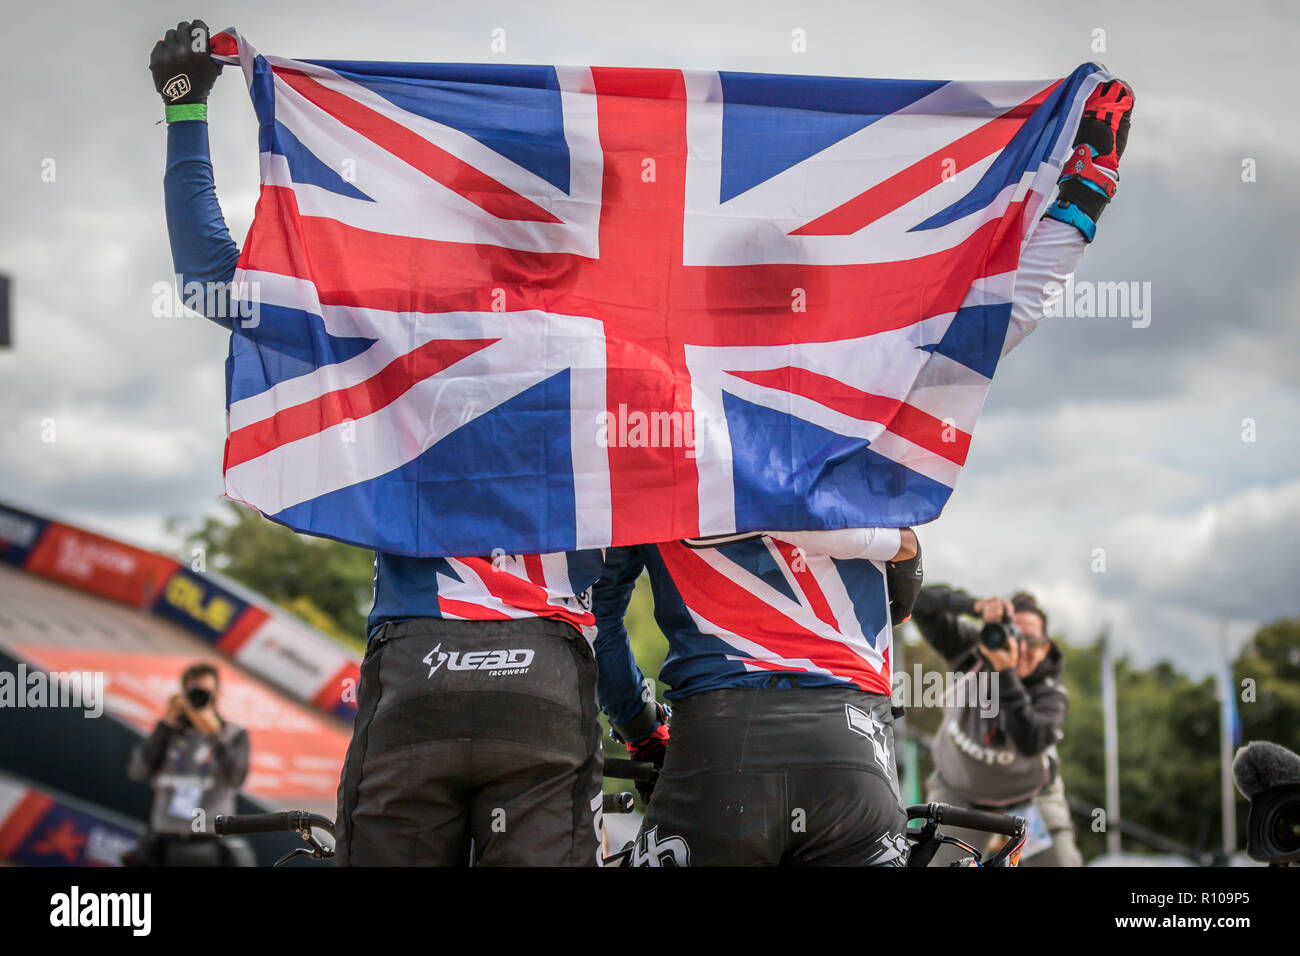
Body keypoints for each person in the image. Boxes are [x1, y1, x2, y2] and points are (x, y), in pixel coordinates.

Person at [149, 21, 606, 866]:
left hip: (418, 667)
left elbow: (210, 282)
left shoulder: (390, 323)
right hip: (546, 673)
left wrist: (184, 113)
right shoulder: (615, 347)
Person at [595, 528, 923, 866]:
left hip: (718, 744)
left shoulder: (656, 478)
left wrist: (640, 728)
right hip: (854, 746)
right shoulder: (857, 477)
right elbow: (904, 568)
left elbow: (598, 615)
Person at [910, 588, 1082, 866]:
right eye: (1015, 637)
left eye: (1033, 641)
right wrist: (975, 606)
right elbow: (919, 602)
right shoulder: (972, 650)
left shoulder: (1051, 695)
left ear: (1047, 647)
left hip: (1029, 797)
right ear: (996, 633)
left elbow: (1030, 741)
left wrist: (1005, 675)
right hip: (961, 791)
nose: (1021, 649)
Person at [126, 662, 251, 866]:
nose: (200, 698)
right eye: (194, 692)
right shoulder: (169, 730)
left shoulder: (233, 734)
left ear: (218, 694)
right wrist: (166, 723)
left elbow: (237, 778)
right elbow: (137, 771)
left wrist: (214, 733)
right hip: (164, 841)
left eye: (206, 692)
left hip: (209, 841)